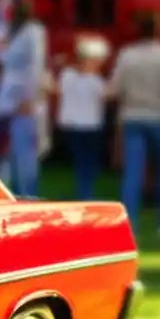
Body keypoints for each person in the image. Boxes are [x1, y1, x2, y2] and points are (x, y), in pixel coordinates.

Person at [112, 13, 160, 239]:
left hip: (133, 116)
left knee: (132, 172)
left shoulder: (127, 55)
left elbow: (115, 88)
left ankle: (129, 221)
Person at [0, 0, 47, 197]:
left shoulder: (33, 31)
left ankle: (28, 197)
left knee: (24, 154)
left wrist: (30, 97)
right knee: (2, 150)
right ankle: (4, 195)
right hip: (4, 100)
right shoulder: (10, 31)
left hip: (23, 100)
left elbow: (36, 65)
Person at [55, 37, 110, 200]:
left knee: (83, 162)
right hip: (90, 126)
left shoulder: (68, 75)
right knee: (88, 162)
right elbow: (105, 97)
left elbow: (59, 90)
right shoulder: (96, 81)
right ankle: (86, 193)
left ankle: (84, 192)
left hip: (73, 126)